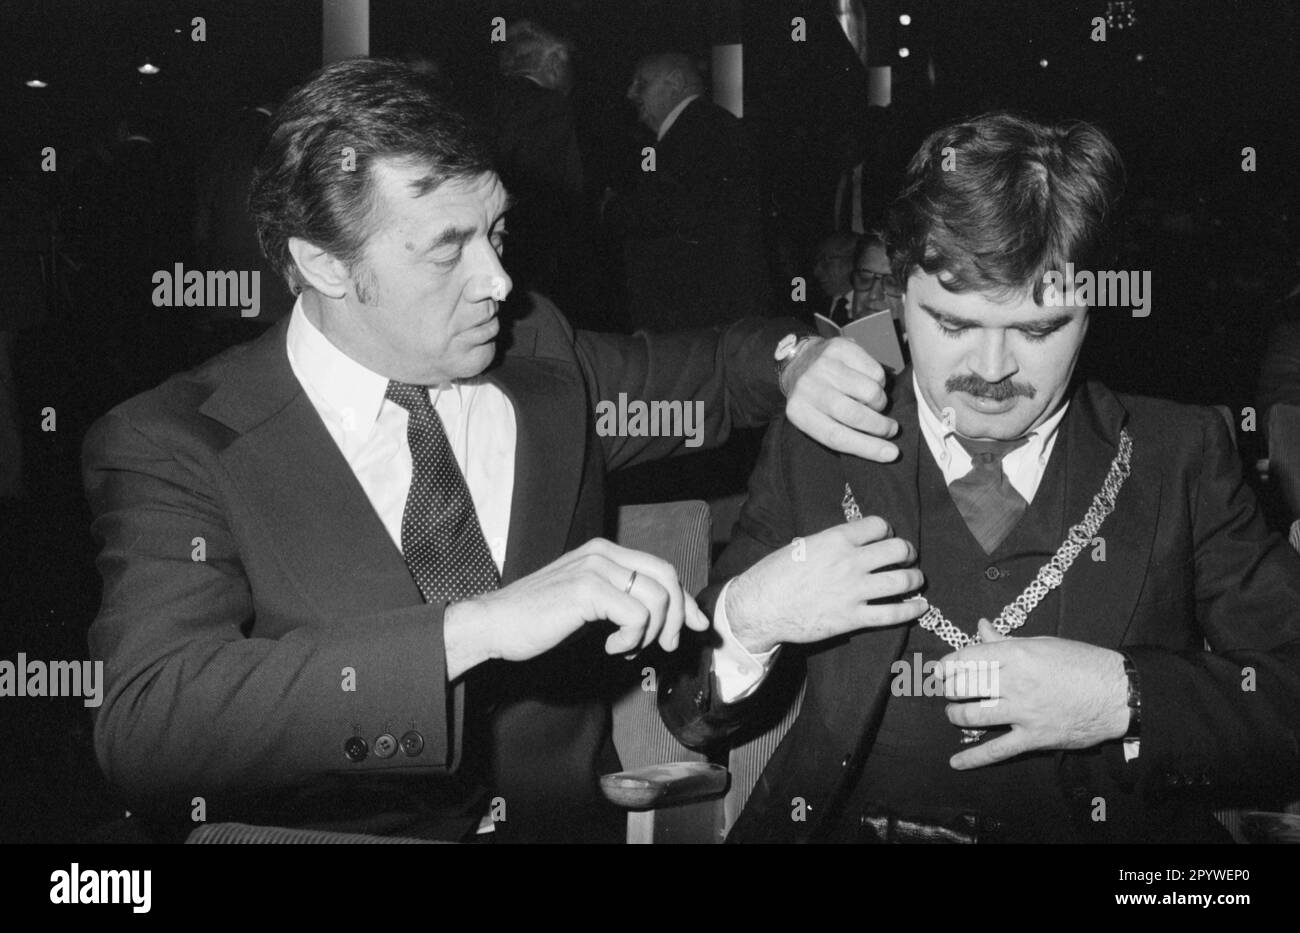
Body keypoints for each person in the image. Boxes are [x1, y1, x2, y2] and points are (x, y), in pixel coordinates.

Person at [82, 58, 898, 843]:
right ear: (322, 264)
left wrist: (798, 360)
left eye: (496, 232)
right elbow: (151, 725)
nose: (499, 281)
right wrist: (473, 628)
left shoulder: (539, 359)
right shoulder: (180, 440)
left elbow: (718, 368)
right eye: (448, 249)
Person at [661, 112, 1300, 843]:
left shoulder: (1178, 453)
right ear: (898, 300)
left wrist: (1123, 697)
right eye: (954, 324)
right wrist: (746, 622)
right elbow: (686, 715)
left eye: (1038, 329)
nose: (992, 372)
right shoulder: (819, 443)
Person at [605, 52, 772, 331]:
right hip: (704, 310)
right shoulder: (703, 127)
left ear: (676, 82)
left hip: (698, 315)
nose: (630, 93)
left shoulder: (699, 130)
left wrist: (613, 208)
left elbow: (669, 209)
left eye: (641, 83)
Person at [811, 231, 859, 324]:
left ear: (853, 261)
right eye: (817, 262)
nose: (816, 272)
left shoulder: (873, 308)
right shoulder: (818, 303)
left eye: (826, 261)